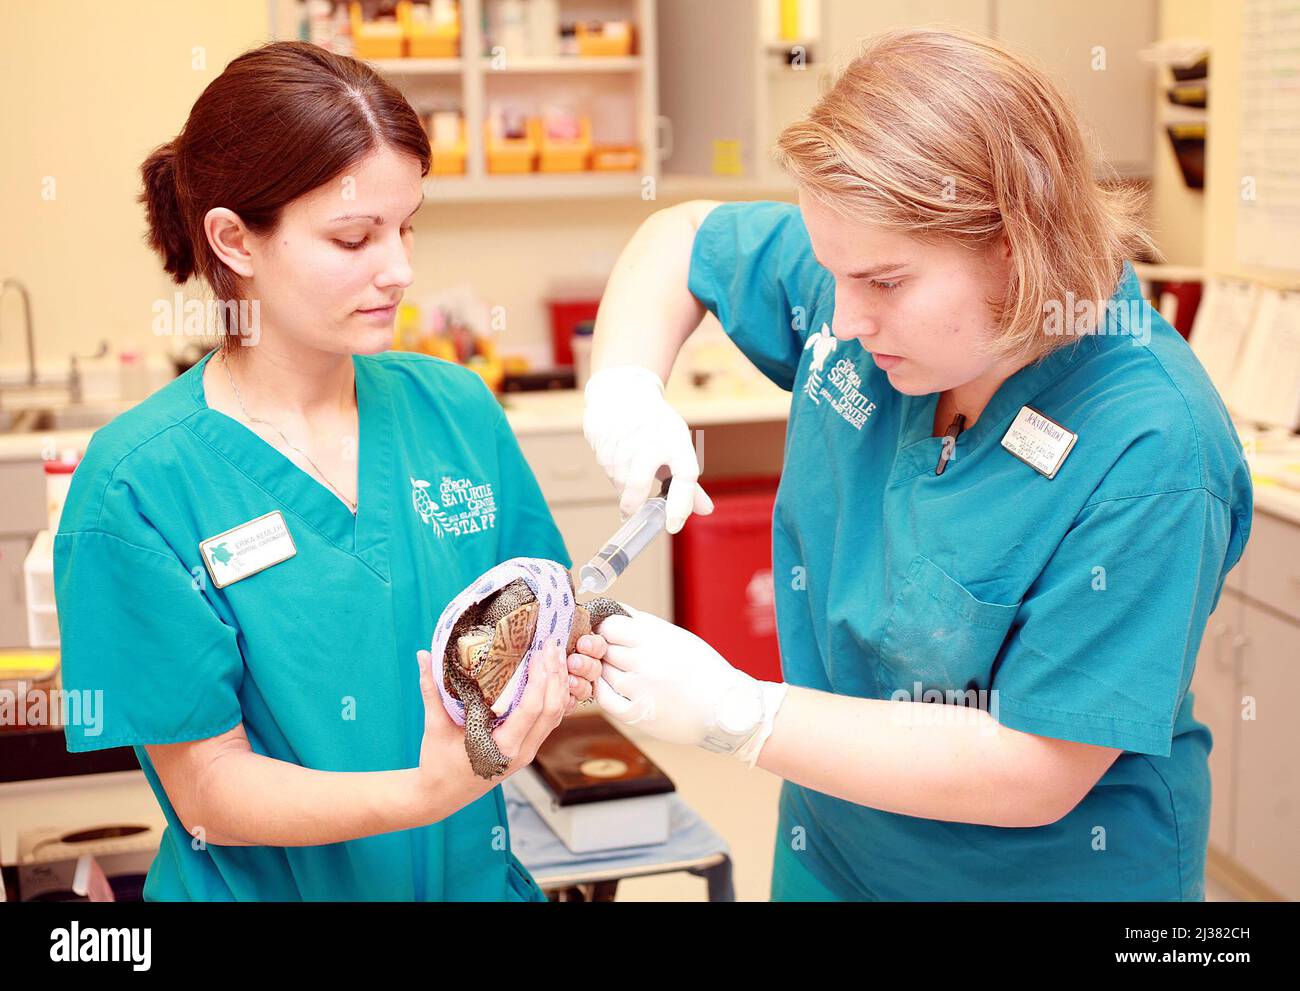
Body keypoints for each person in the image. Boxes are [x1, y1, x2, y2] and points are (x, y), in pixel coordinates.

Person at [576, 28, 1253, 900]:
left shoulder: (1153, 446)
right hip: (832, 844)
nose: (845, 316)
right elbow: (683, 238)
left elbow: (1032, 769)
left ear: (1017, 245)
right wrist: (626, 388)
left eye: (884, 284)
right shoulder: (866, 282)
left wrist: (739, 712)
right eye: (833, 272)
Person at [54, 41, 601, 901]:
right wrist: (426, 792)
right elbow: (209, 789)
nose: (400, 269)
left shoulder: (453, 410)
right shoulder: (140, 482)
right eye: (354, 237)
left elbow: (544, 611)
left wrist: (586, 649)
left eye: (407, 225)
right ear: (235, 239)